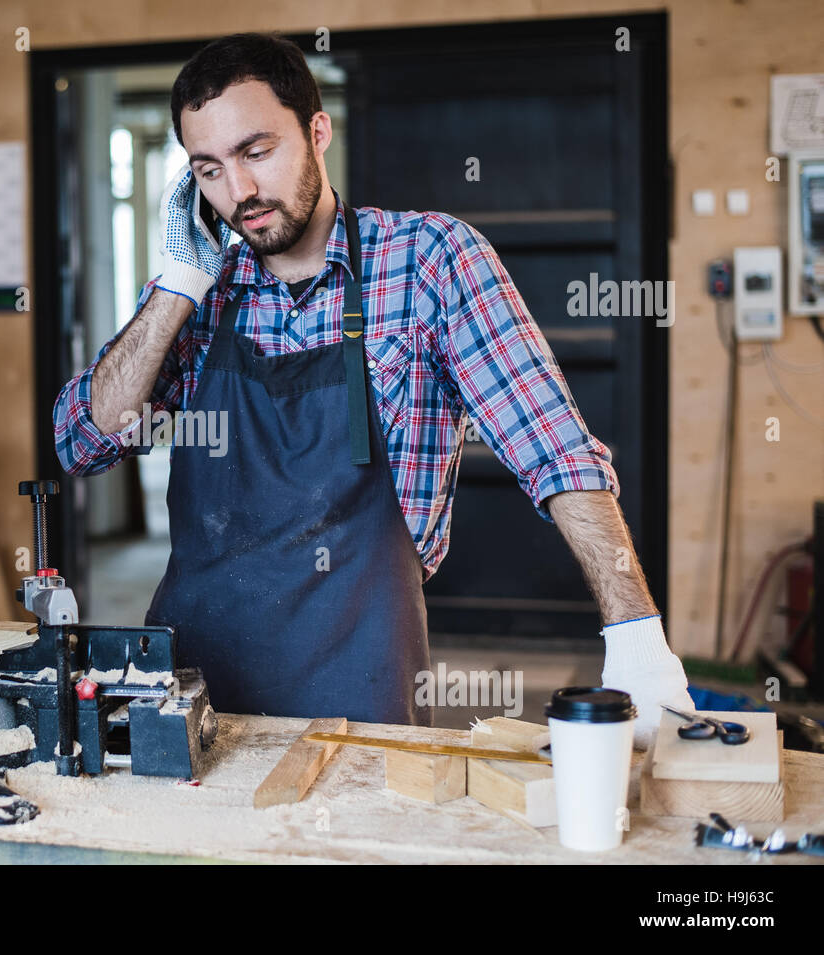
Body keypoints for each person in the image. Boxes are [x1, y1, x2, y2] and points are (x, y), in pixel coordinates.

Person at [52, 32, 691, 747]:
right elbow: (82, 440)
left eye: (256, 152)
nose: (240, 193)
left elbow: (557, 449)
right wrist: (176, 286)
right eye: (208, 170)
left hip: (361, 688)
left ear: (317, 132)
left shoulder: (431, 259)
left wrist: (635, 630)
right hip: (194, 698)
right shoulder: (202, 292)